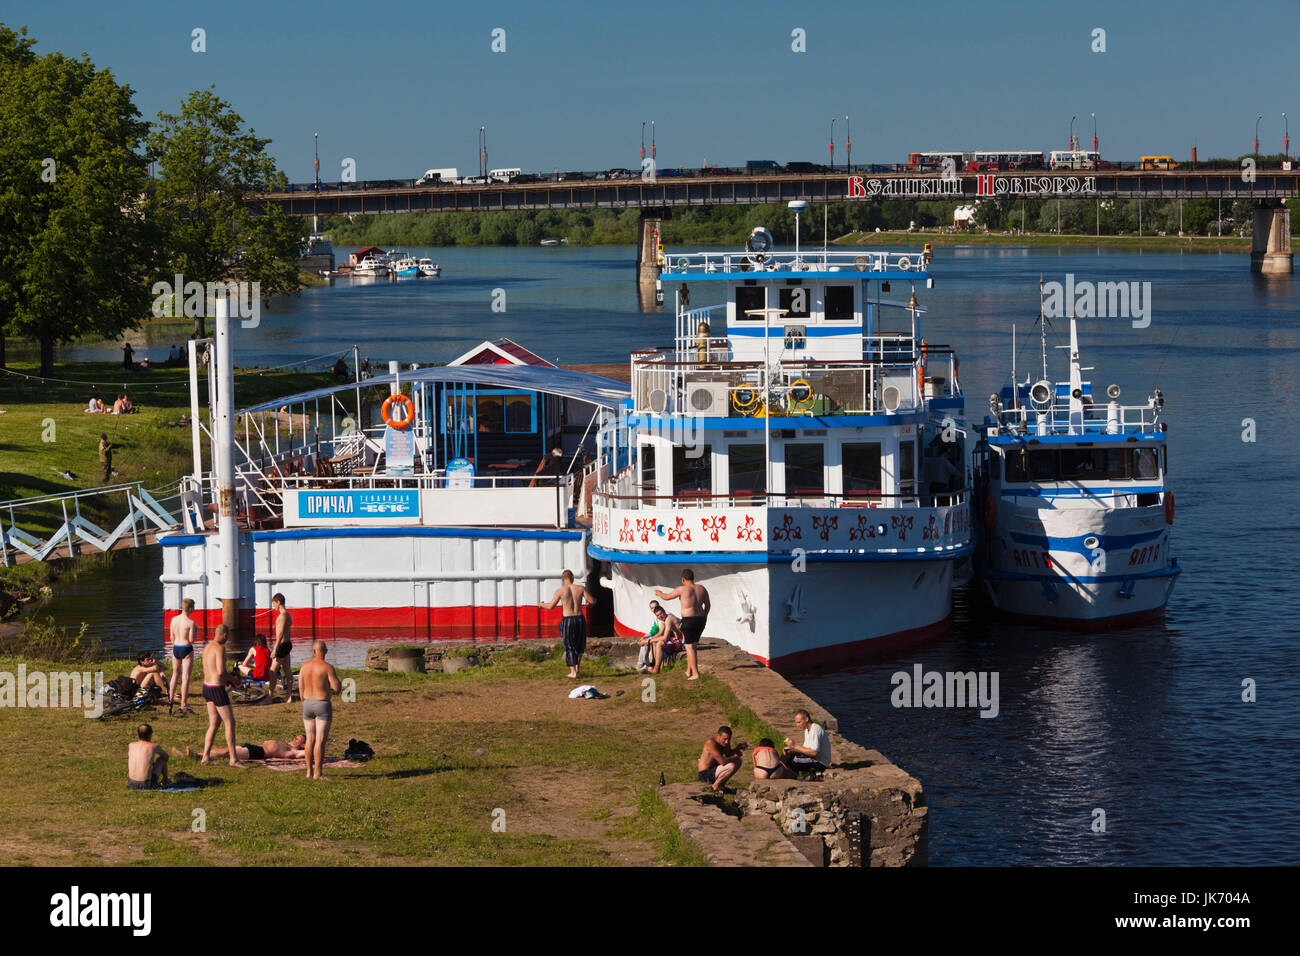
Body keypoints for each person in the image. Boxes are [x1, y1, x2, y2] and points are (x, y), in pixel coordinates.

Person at [200, 625, 243, 767]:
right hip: (217, 689)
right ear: (225, 635)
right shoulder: (220, 648)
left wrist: (228, 678)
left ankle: (205, 757)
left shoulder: (207, 647)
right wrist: (234, 679)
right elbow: (220, 672)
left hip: (206, 687)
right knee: (230, 722)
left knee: (214, 722)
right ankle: (234, 759)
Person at [655, 569, 710, 680]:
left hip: (689, 621)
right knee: (693, 645)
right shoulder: (702, 589)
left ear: (683, 579)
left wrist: (659, 593)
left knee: (689, 647)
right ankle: (689, 671)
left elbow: (667, 597)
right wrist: (704, 616)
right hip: (700, 620)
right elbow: (708, 605)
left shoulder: (682, 589)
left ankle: (695, 674)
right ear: (693, 578)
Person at [299, 640, 341, 780]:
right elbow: (336, 688)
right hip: (322, 703)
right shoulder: (327, 667)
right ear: (326, 651)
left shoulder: (304, 666)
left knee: (309, 738)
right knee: (320, 740)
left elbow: (300, 688)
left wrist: (303, 702)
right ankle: (318, 773)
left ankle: (308, 772)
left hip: (307, 704)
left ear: (313, 651)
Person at [541, 570, 592, 679]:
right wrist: (590, 602)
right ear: (572, 577)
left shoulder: (560, 591)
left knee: (570, 645)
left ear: (563, 579)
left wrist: (541, 604)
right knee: (580, 645)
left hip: (568, 620)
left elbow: (550, 606)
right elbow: (592, 601)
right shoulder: (580, 588)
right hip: (580, 619)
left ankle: (573, 672)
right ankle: (577, 669)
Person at [179, 733, 307, 763]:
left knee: (228, 752)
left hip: (259, 752)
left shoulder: (294, 751)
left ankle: (199, 756)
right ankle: (199, 754)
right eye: (295, 737)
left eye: (298, 739)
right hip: (255, 748)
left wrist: (309, 745)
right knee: (223, 749)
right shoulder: (288, 744)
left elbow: (309, 752)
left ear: (303, 745)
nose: (295, 739)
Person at [782, 709, 832, 777]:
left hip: (820, 762)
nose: (797, 725)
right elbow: (805, 749)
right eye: (796, 723)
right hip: (812, 759)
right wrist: (791, 750)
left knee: (791, 761)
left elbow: (814, 752)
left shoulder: (815, 730)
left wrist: (795, 746)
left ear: (806, 719)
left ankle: (794, 778)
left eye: (799, 722)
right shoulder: (807, 730)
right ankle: (794, 776)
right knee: (786, 756)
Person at [168, 598, 197, 713]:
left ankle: (170, 699)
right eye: (193, 607)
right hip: (186, 648)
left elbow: (171, 638)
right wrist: (195, 630)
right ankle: (183, 704)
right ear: (190, 609)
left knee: (175, 674)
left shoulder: (173, 620)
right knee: (185, 677)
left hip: (176, 648)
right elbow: (191, 640)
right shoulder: (191, 623)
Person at [637, 601, 684, 673]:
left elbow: (665, 637)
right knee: (654, 642)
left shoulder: (668, 618)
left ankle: (656, 668)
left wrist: (648, 641)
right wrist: (648, 639)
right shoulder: (663, 620)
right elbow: (659, 633)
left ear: (664, 611)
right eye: (658, 615)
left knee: (659, 643)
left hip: (683, 642)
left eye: (661, 614)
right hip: (676, 640)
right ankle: (652, 665)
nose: (660, 616)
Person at [697, 725, 745, 794]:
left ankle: (721, 786)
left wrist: (738, 748)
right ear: (718, 736)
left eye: (729, 739)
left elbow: (728, 755)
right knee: (731, 766)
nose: (727, 742)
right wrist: (735, 756)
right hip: (705, 774)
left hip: (715, 771)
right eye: (724, 739)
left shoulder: (725, 743)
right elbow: (722, 762)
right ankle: (714, 787)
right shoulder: (711, 743)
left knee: (738, 761)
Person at [127, 723, 169, 791]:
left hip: (131, 783)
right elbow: (166, 757)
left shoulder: (131, 745)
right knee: (161, 760)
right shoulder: (154, 746)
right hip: (146, 784)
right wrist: (154, 763)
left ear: (138, 734)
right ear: (150, 735)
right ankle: (165, 781)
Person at [269, 593, 294, 704]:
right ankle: (289, 696)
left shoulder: (283, 616)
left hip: (282, 645)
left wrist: (275, 649)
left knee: (272, 672)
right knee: (287, 670)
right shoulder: (287, 615)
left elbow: (280, 634)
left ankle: (269, 696)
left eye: (273, 603)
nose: (273, 606)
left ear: (278, 602)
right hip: (287, 644)